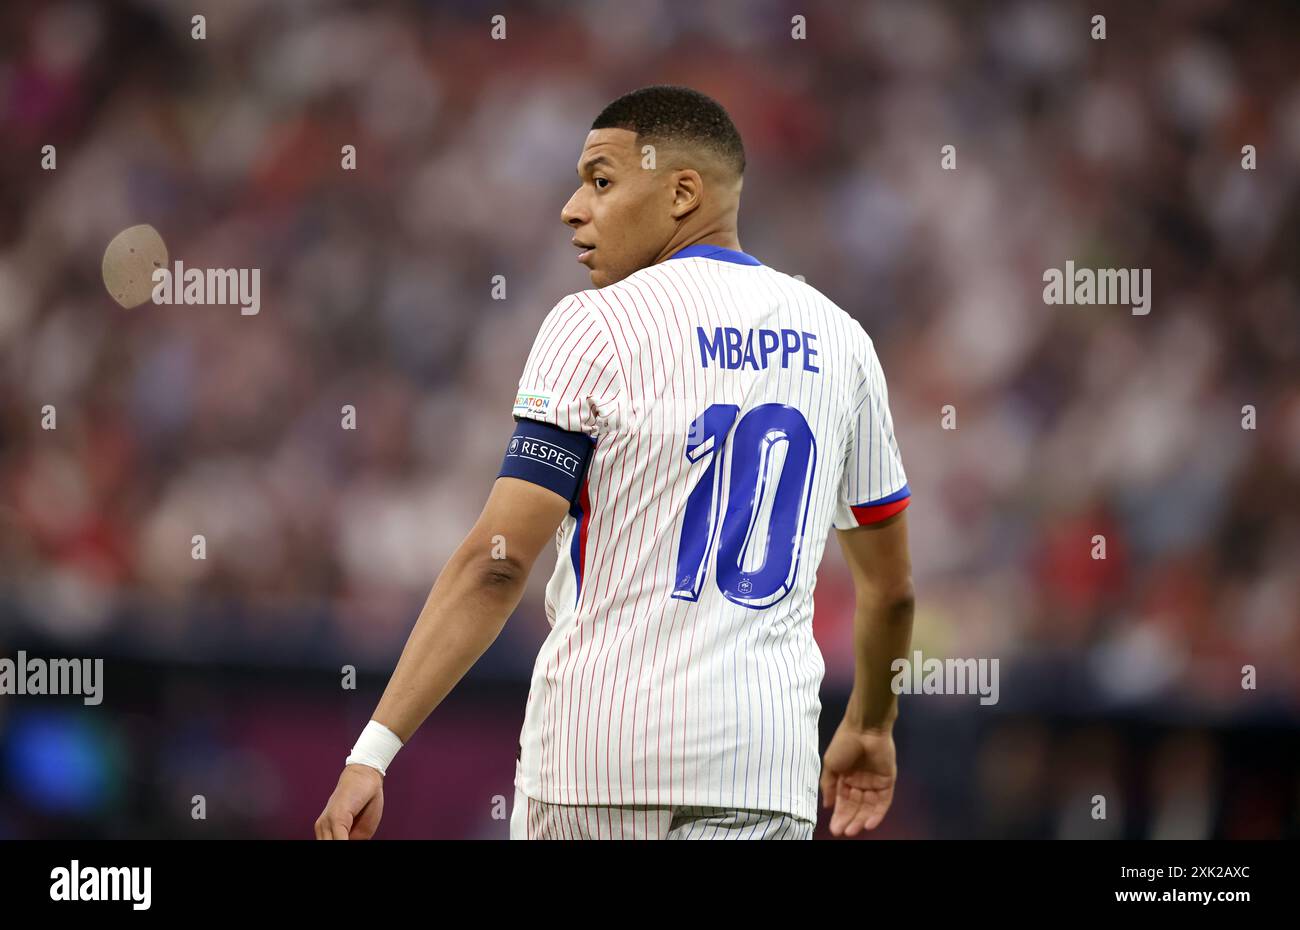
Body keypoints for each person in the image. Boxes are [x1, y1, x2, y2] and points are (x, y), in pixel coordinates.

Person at [315, 84, 914, 840]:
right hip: (762, 772)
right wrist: (869, 723)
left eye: (600, 180)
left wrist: (374, 750)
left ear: (682, 192)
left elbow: (497, 565)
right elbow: (889, 592)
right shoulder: (844, 344)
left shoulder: (592, 325)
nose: (572, 207)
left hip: (595, 764)